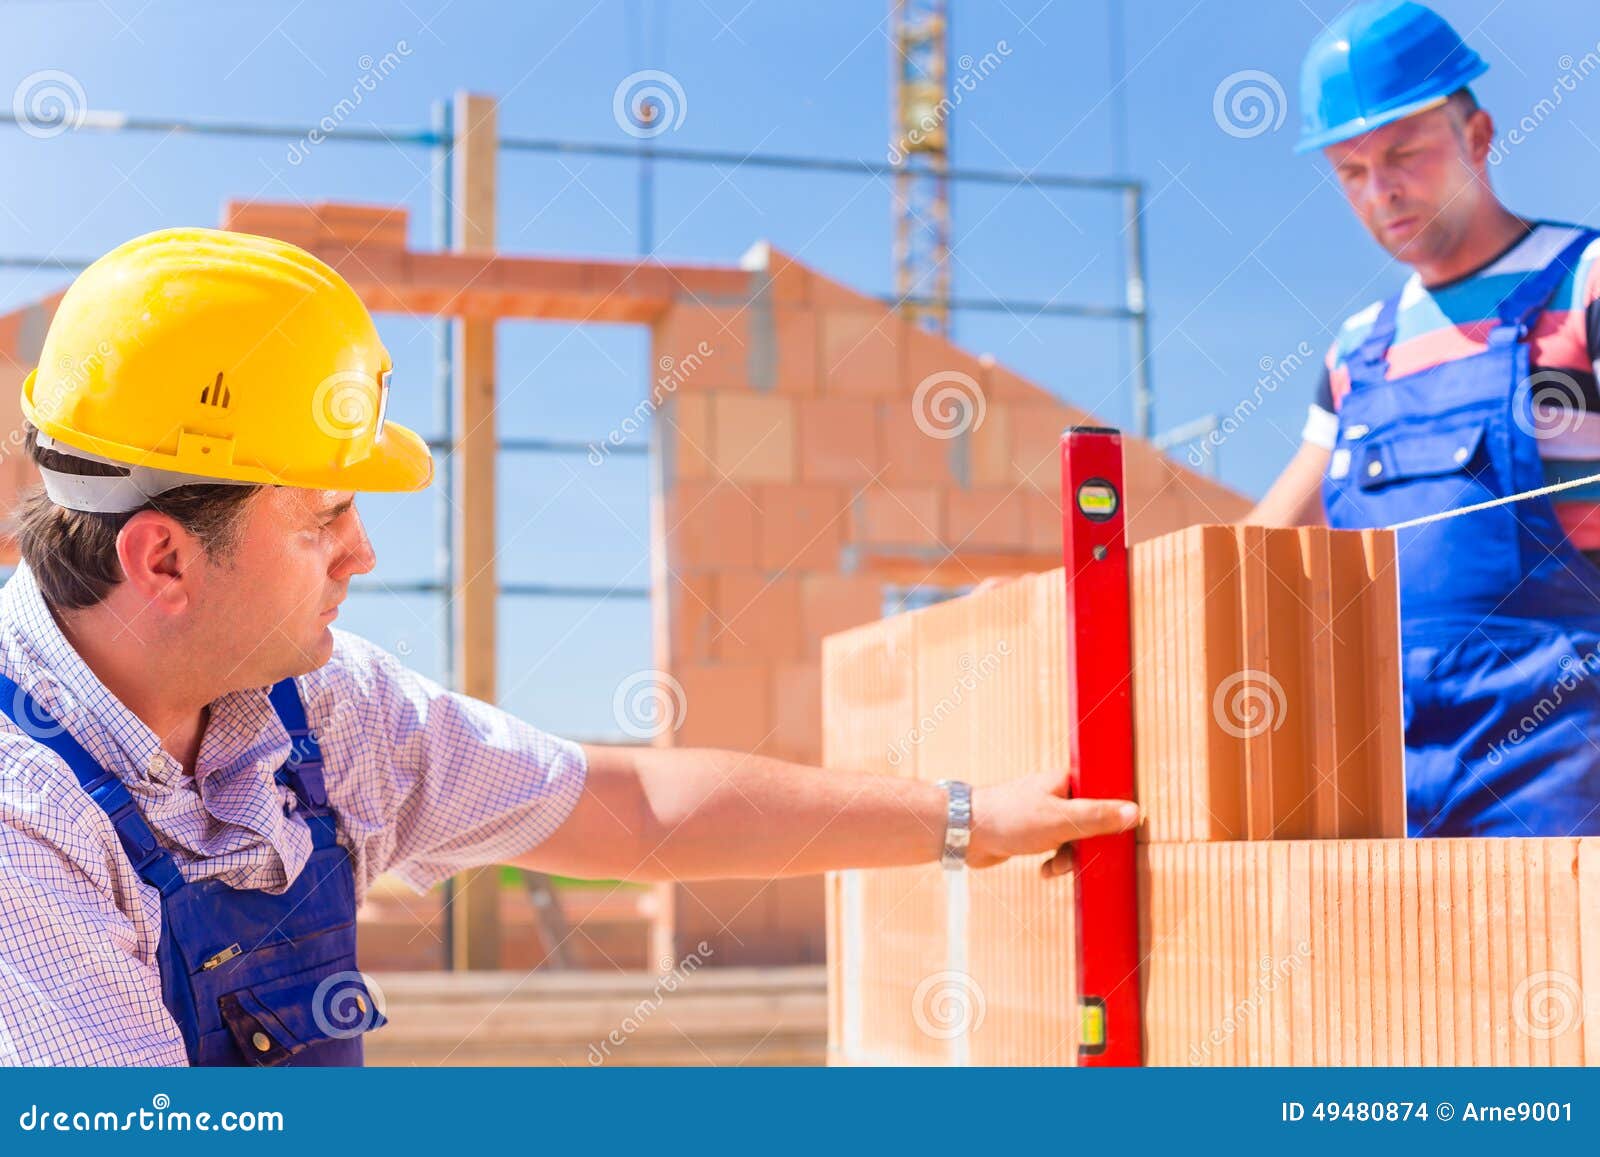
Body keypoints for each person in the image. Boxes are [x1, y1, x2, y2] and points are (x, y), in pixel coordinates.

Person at [0, 227, 1135, 1066]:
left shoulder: (320, 710)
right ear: (161, 561)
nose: (364, 553)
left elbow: (634, 810)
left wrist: (967, 821)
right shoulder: (26, 816)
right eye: (321, 518)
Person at [1247, 1, 1600, 836]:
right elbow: (1259, 545)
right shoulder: (1358, 354)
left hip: (1567, 778)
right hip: (1393, 780)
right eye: (1351, 170)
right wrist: (1086, 593)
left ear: (1478, 137)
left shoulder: (1580, 288)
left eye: (1403, 154)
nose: (1383, 192)